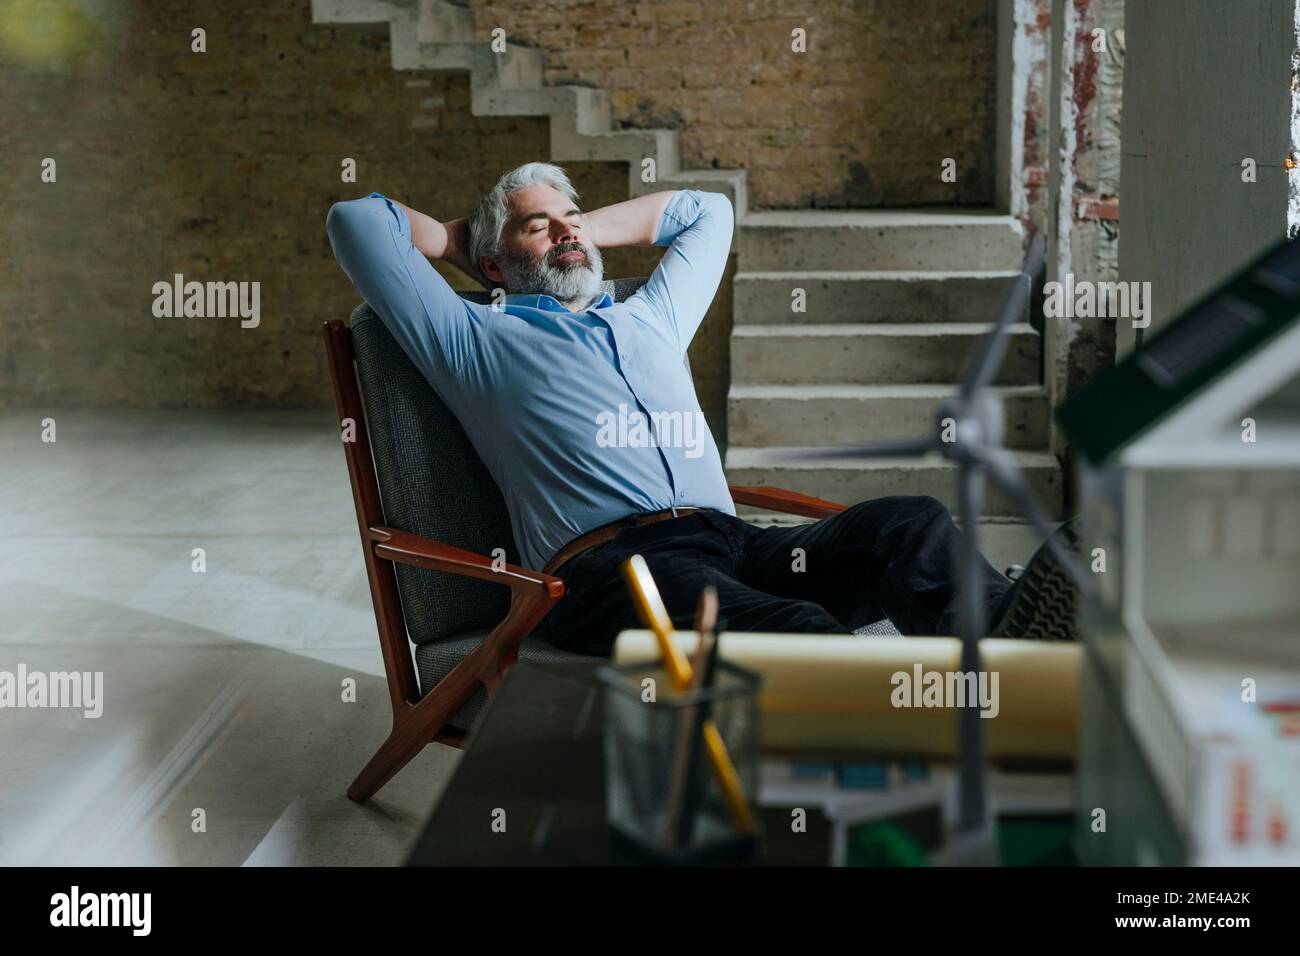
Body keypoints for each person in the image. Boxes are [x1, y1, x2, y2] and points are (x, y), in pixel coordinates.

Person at [326, 161, 1077, 656]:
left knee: (909, 527)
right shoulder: (475, 339)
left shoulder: (651, 315)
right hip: (612, 572)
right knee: (801, 635)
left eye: (573, 218)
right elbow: (356, 223)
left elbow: (706, 211)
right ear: (494, 264)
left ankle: (1023, 652)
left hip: (731, 544)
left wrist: (572, 229)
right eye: (539, 225)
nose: (567, 230)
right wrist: (469, 241)